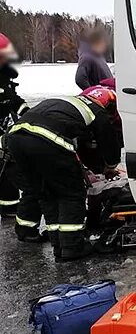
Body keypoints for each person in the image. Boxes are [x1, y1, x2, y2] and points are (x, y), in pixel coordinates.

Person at [2, 85, 121, 260]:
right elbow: (108, 142)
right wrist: (110, 166)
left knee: (46, 193)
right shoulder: (97, 111)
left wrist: (94, 167)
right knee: (71, 193)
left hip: (15, 139)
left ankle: (58, 243)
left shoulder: (67, 102)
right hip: (46, 138)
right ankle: (72, 246)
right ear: (108, 104)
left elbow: (82, 148)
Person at [0, 33, 27, 215]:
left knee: (8, 160)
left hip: (5, 124)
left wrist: (28, 114)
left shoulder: (5, 76)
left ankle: (9, 205)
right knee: (6, 160)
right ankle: (8, 205)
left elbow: (13, 99)